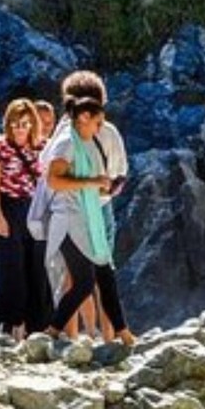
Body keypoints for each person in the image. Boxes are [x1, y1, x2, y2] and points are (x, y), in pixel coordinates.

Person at [43, 95, 136, 346]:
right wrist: (91, 183)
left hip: (87, 216)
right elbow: (53, 180)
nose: (100, 127)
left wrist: (100, 188)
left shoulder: (86, 143)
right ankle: (52, 331)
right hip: (69, 221)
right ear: (84, 118)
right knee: (84, 283)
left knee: (105, 274)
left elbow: (87, 181)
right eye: (98, 121)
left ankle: (124, 333)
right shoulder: (66, 144)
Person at [0, 98, 48, 338]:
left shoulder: (42, 146)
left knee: (37, 267)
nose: (19, 129)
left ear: (32, 123)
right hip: (9, 206)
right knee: (10, 267)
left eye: (24, 123)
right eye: (14, 124)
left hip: (36, 208)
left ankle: (38, 326)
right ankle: (10, 323)